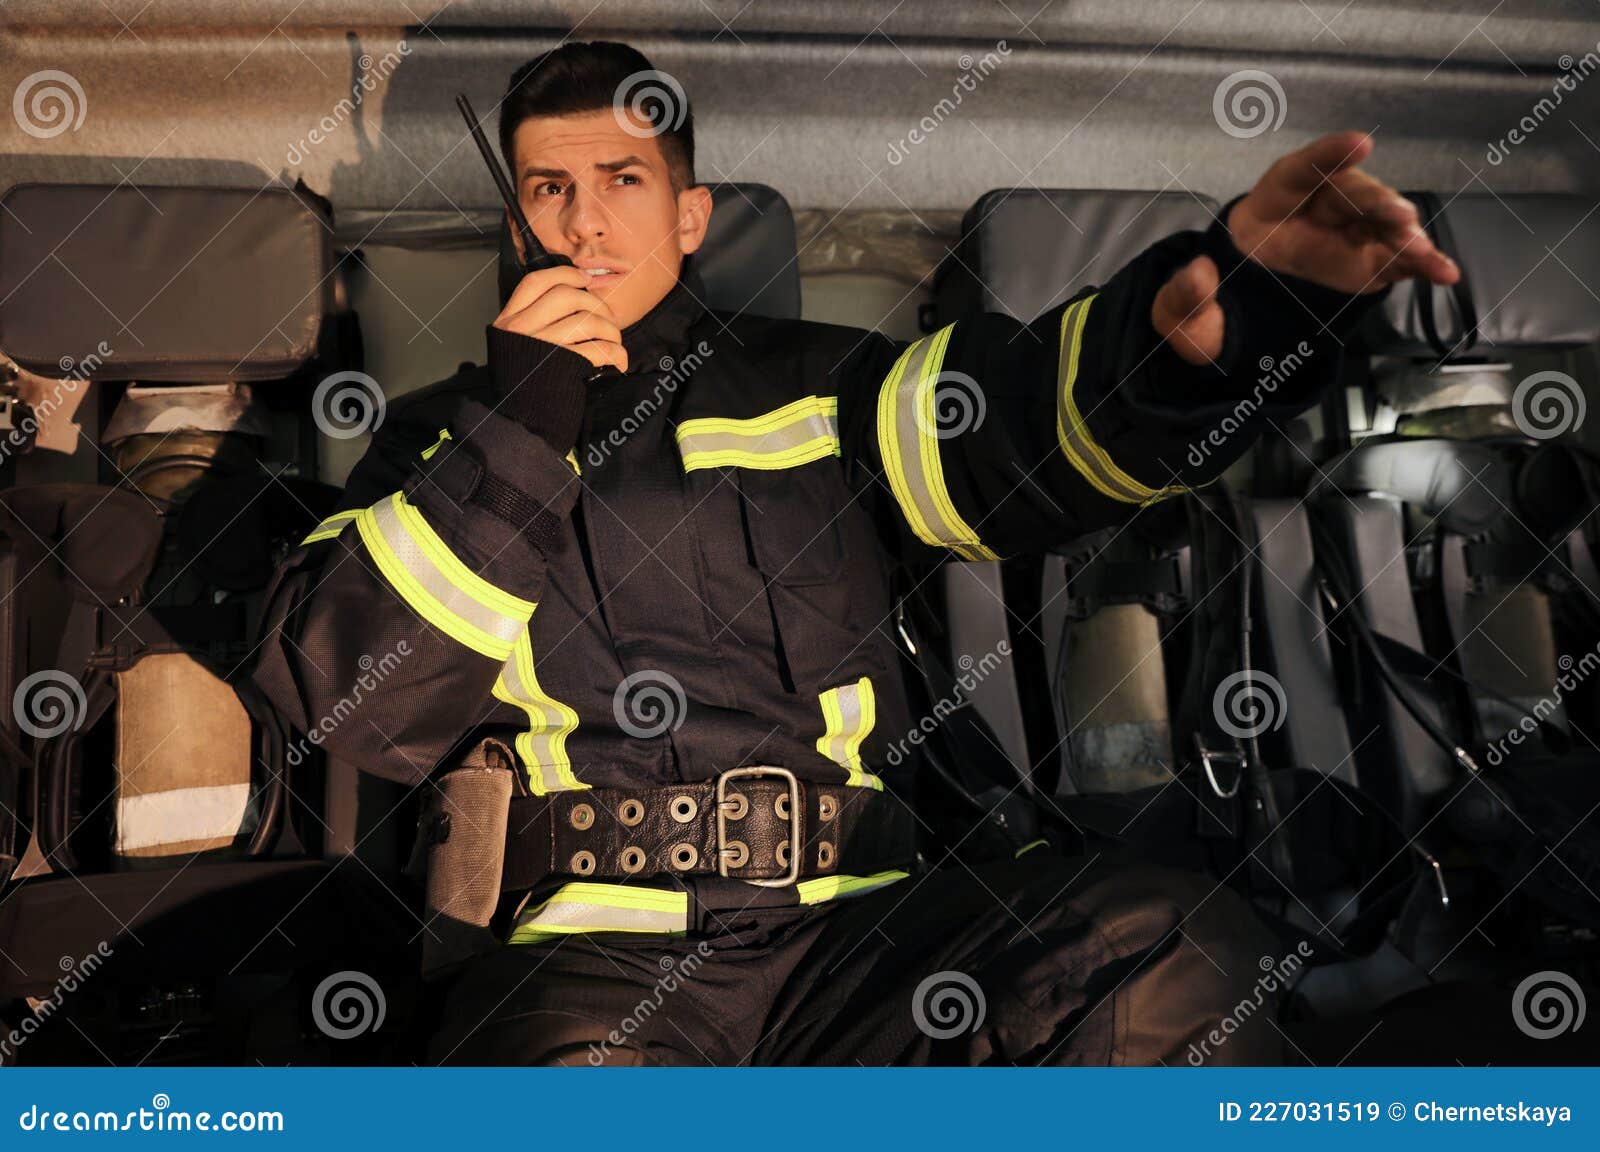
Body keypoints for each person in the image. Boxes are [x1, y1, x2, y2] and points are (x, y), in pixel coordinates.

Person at [249, 40, 1458, 1065]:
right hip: (588, 959)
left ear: (688, 215)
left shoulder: (817, 384)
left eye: (622, 179)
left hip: (864, 937)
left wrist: (1196, 339)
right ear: (517, 223)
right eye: (549, 188)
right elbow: (346, 691)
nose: (585, 220)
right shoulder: (441, 437)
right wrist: (519, 429)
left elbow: (1014, 431)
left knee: (1170, 951)